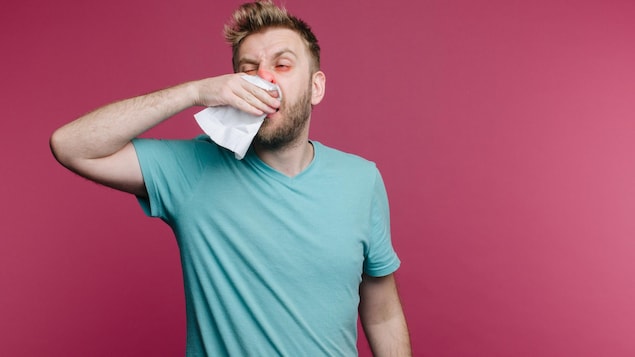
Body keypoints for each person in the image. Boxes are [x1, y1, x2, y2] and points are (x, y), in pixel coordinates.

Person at [50, 1, 411, 355]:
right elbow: (71, 145)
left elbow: (382, 313)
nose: (263, 78)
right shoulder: (192, 169)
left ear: (316, 87)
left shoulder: (361, 180)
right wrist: (193, 92)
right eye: (248, 69)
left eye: (282, 65)